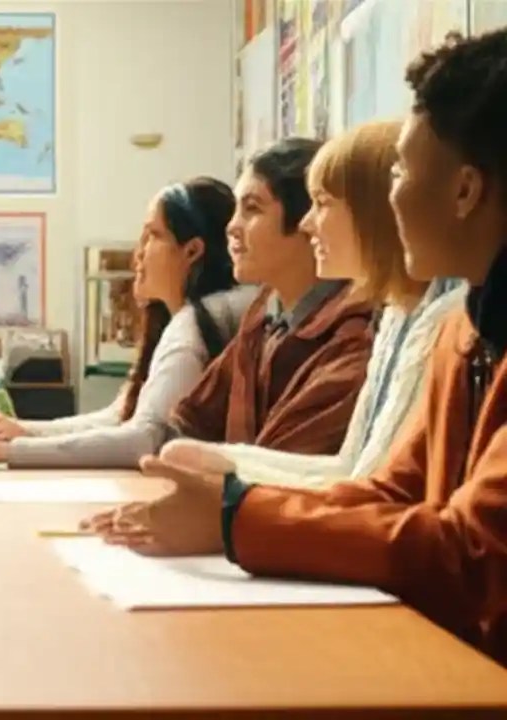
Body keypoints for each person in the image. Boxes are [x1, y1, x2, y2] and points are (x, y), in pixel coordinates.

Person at [92, 28, 507, 666]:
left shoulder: (422, 325)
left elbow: (469, 554)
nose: (391, 192)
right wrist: (236, 509)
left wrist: (237, 518)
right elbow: (392, 489)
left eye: (400, 168)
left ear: (465, 191)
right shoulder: (463, 329)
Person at [173, 121, 464, 487]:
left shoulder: (399, 325)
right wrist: (209, 461)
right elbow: (353, 469)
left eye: (322, 204)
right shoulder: (391, 316)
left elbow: (372, 485)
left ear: (370, 210)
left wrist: (228, 496)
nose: (308, 223)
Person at [0, 177, 258, 467]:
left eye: (153, 236)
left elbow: (141, 440)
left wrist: (2, 452)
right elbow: (118, 417)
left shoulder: (194, 326)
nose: (139, 253)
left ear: (192, 251)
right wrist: (18, 430)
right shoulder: (183, 320)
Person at [167, 138, 374, 454]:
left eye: (252, 209)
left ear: (307, 222)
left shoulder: (352, 336)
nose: (232, 227)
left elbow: (280, 467)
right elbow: (191, 422)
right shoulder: (265, 316)